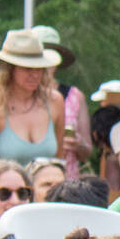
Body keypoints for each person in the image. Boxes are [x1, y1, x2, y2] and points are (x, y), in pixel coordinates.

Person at [0, 29, 67, 169]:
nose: (34, 75)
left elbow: (59, 158)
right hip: (5, 189)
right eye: (27, 68)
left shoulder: (55, 101)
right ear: (9, 69)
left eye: (38, 68)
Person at [29, 26, 91, 176]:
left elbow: (87, 150)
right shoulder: (20, 96)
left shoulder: (74, 96)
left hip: (65, 180)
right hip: (28, 179)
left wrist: (77, 145)